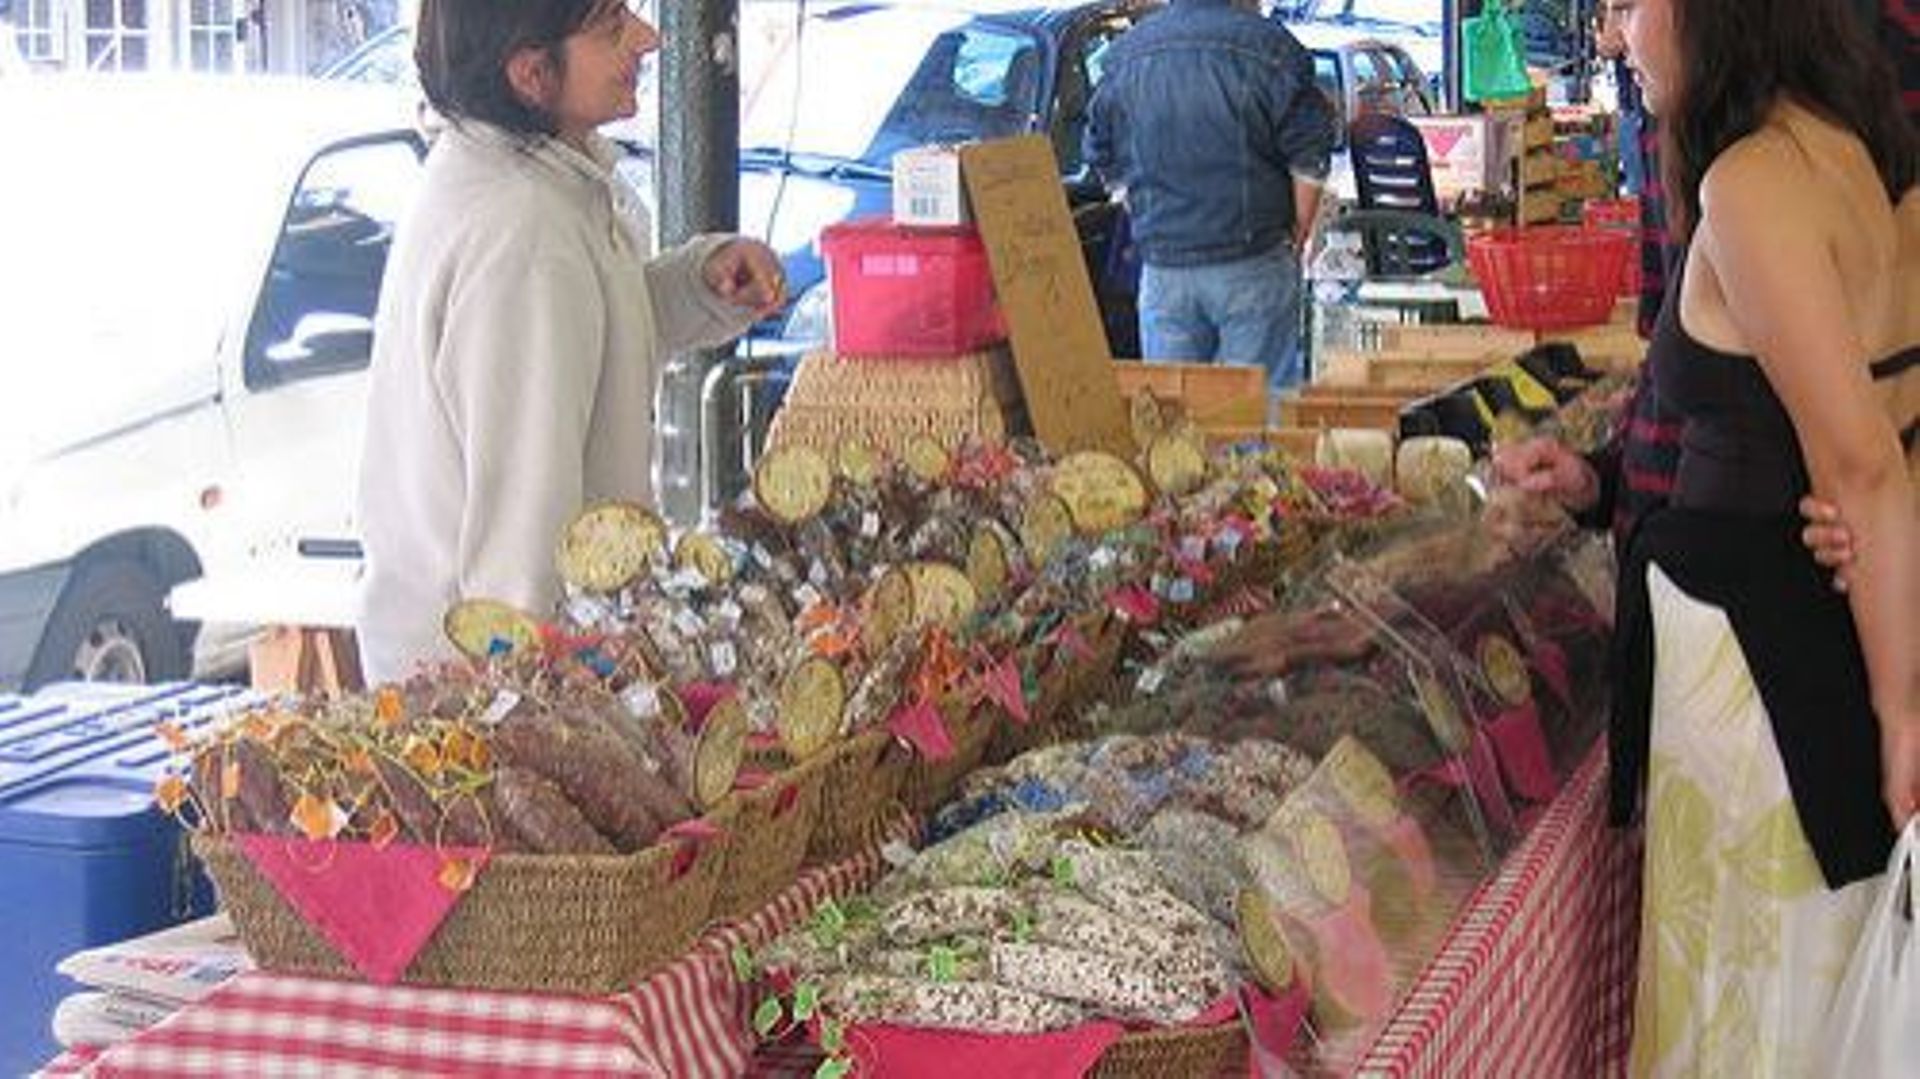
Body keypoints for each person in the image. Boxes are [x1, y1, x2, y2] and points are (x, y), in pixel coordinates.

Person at [1587, 1, 1914, 1074]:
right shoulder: (1846, 154)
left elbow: (1861, 461)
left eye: (1632, 5)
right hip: (1776, 661)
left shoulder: (1758, 178)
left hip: (1768, 689)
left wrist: (1902, 707)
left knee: (1752, 1000)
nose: (1617, 35)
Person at [356, 0, 784, 684]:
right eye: (612, 28)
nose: (647, 40)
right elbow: (522, 555)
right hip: (487, 700)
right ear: (531, 73)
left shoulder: (527, 182)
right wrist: (560, 724)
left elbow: (584, 340)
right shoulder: (521, 233)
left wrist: (695, 284)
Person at [1083, 0, 1336, 393]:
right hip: (1253, 262)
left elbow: (1102, 150)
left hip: (1164, 267)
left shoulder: (1128, 53)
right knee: (1259, 419)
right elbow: (1309, 157)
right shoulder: (1272, 47)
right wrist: (1298, 233)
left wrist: (1144, 216)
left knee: (1172, 419)